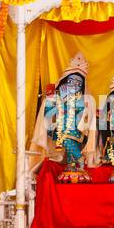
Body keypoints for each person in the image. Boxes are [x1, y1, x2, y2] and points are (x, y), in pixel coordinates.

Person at [29, 51, 96, 180]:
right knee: (65, 137)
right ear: (64, 81)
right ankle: (75, 163)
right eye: (71, 81)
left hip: (78, 132)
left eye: (79, 83)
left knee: (69, 138)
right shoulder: (55, 98)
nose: (74, 85)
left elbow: (88, 118)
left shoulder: (85, 100)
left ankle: (76, 161)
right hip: (58, 130)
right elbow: (48, 118)